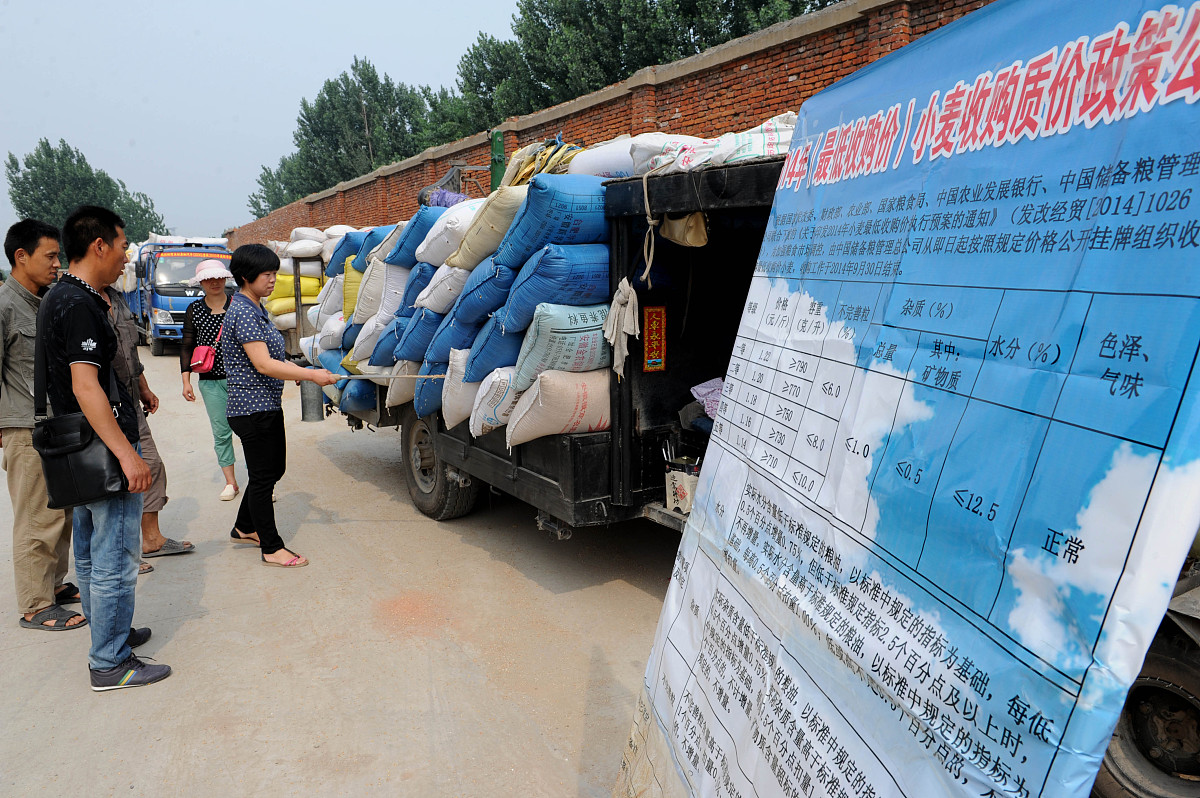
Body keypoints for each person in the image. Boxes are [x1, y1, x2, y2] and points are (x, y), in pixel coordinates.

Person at [37, 205, 168, 690]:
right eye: (121, 246)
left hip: (82, 450)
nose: (125, 256)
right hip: (103, 447)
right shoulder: (81, 304)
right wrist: (128, 453)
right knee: (114, 556)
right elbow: (86, 385)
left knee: (92, 554)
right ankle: (110, 662)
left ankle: (111, 635)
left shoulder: (59, 296)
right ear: (99, 246)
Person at [221, 243, 337, 567]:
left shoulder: (256, 307)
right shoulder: (243, 311)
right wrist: (309, 375)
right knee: (262, 477)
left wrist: (297, 370)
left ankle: (244, 527)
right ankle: (271, 547)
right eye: (266, 274)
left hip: (264, 405)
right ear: (246, 276)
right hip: (251, 408)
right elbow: (263, 364)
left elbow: (273, 357)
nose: (272, 280)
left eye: (274, 273)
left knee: (273, 470)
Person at [2, 220, 84, 631]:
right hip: (22, 427)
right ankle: (35, 604)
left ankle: (53, 585)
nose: (57, 264)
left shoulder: (47, 301)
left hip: (55, 424)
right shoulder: (4, 305)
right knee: (37, 517)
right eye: (50, 256)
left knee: (61, 510)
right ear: (21, 256)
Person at [105, 283, 194, 566]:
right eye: (120, 249)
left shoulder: (117, 298)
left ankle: (151, 539)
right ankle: (118, 555)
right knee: (112, 479)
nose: (124, 263)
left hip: (130, 402)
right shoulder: (79, 301)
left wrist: (143, 387)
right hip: (103, 406)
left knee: (151, 465)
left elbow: (129, 351)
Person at [179, 259, 239, 500]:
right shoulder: (194, 309)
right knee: (221, 432)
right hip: (210, 381)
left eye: (218, 277)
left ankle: (260, 485)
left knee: (250, 431)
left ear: (225, 278)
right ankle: (231, 483)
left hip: (242, 379)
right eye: (208, 278)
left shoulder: (239, 304)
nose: (214, 282)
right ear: (201, 282)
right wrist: (186, 381)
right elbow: (187, 346)